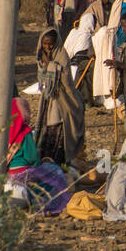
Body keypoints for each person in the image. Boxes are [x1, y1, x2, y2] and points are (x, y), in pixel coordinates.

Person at [35, 27, 85, 165]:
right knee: (47, 126)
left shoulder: (62, 55)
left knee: (57, 123)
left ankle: (59, 160)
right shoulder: (41, 56)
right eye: (45, 44)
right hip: (47, 98)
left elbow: (66, 80)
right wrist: (46, 63)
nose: (47, 47)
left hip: (61, 97)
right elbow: (43, 77)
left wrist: (50, 64)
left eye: (50, 44)